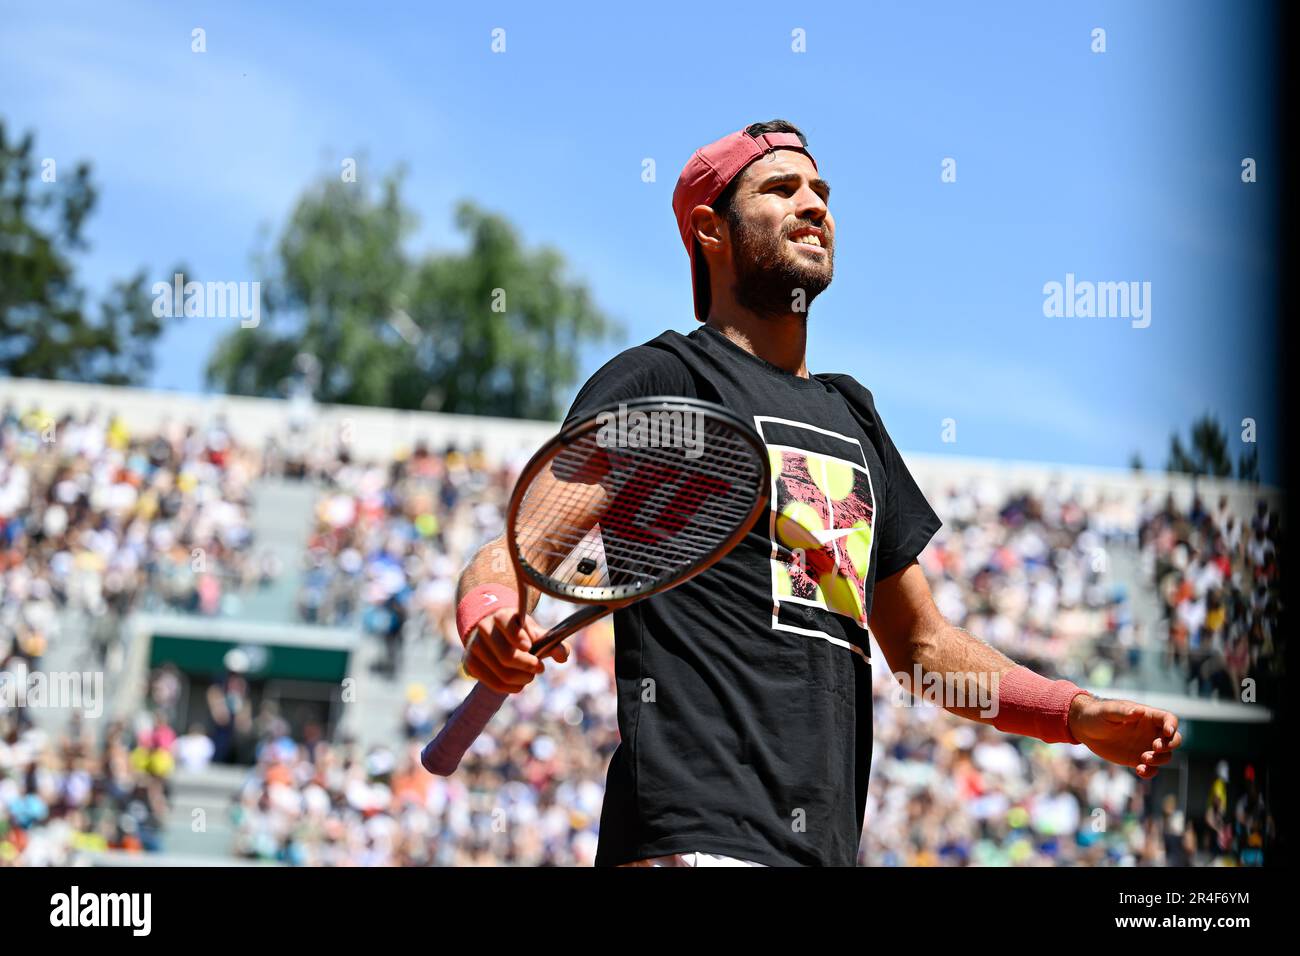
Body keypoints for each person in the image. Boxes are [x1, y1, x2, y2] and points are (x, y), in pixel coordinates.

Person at [450, 120, 1182, 867]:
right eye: (782, 189)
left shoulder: (852, 412)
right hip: (693, 840)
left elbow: (923, 646)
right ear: (711, 229)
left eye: (822, 192)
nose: (815, 205)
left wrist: (1072, 712)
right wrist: (489, 619)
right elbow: (521, 548)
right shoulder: (664, 380)